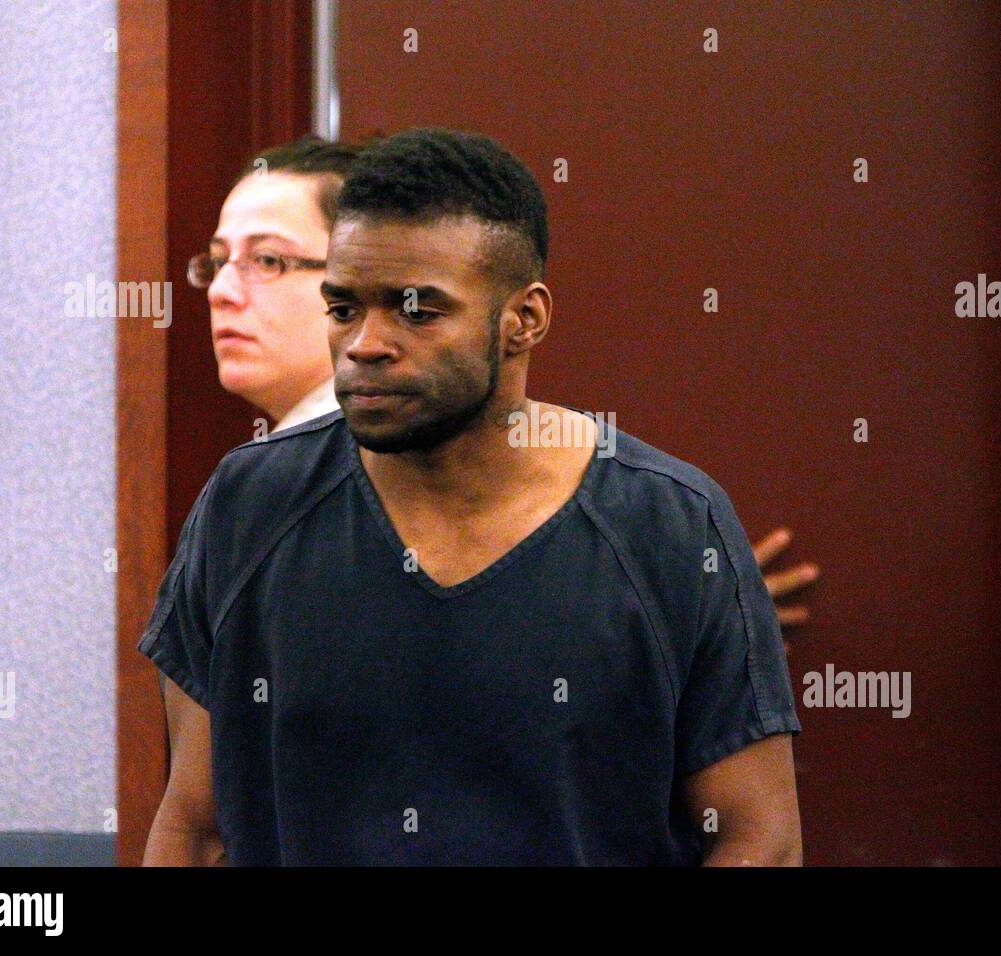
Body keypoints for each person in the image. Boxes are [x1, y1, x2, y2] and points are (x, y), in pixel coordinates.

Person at [141, 129, 804, 865]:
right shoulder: (247, 506)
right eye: (344, 308)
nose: (365, 343)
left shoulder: (669, 524)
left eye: (416, 311)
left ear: (525, 319)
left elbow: (760, 840)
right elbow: (193, 825)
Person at [196, 134, 820, 629]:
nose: (222, 290)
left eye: (269, 259)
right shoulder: (248, 499)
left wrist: (679, 593)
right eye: (220, 262)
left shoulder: (656, 516)